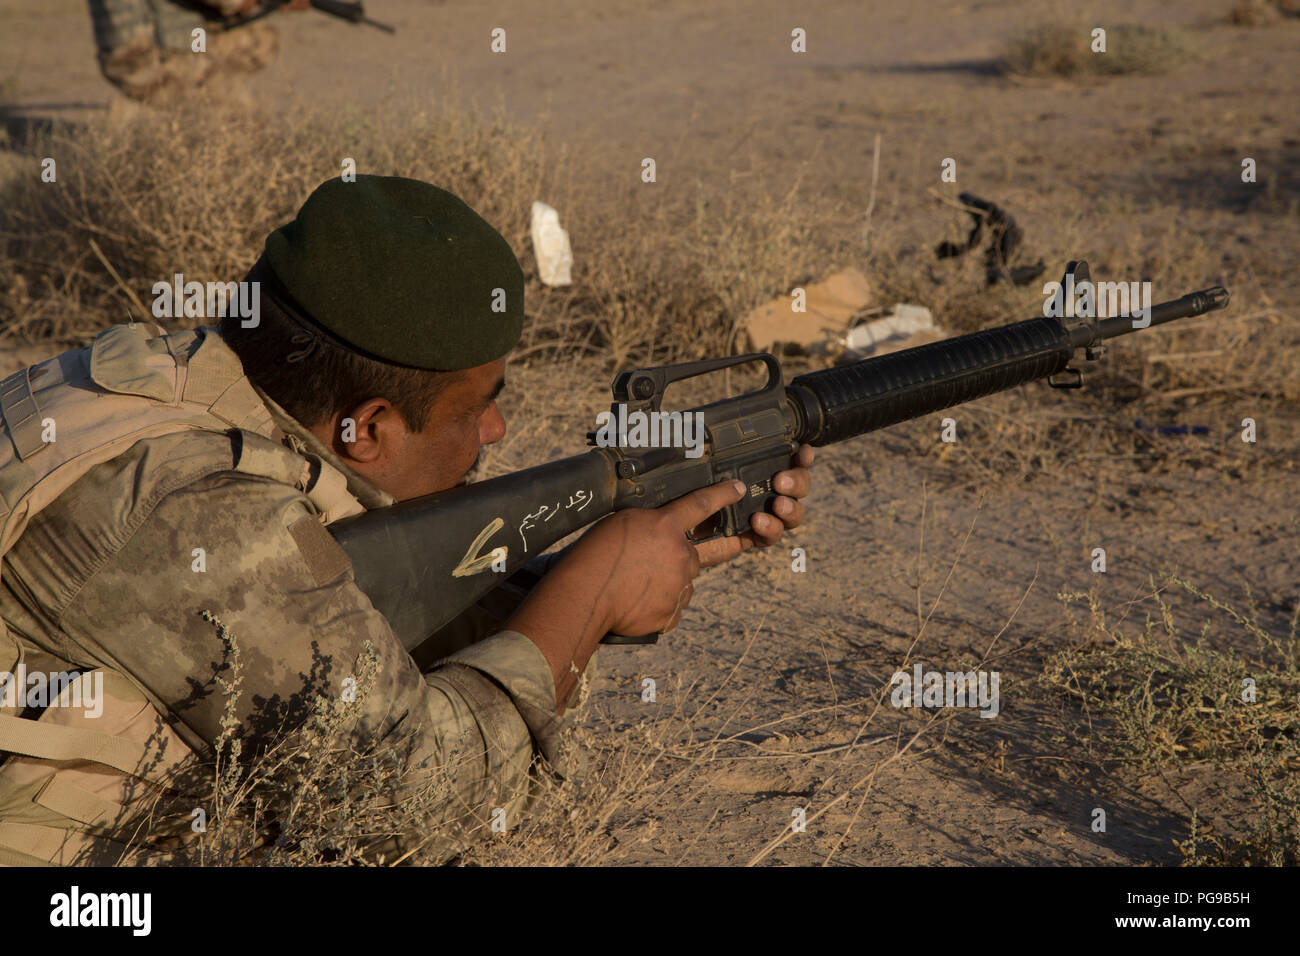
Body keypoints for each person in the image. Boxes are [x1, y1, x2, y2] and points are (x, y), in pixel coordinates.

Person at [0, 175, 814, 865]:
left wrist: (618, 564)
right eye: (479, 407)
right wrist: (593, 595)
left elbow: (337, 591)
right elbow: (412, 807)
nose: (495, 432)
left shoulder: (139, 379)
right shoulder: (202, 519)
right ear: (372, 427)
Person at [86, 0, 296, 104]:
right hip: (142, 60)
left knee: (261, 38)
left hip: (153, 46)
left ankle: (185, 108)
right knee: (241, 125)